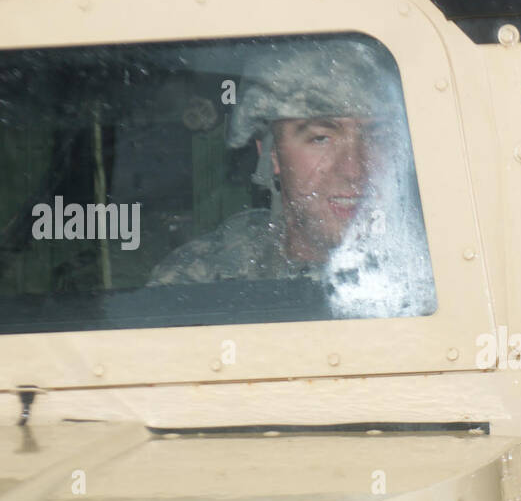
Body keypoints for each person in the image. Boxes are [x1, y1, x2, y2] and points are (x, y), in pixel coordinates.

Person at [150, 36, 436, 318]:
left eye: (378, 137)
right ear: (271, 154)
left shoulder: (440, 266)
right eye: (321, 138)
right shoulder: (205, 278)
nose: (354, 171)